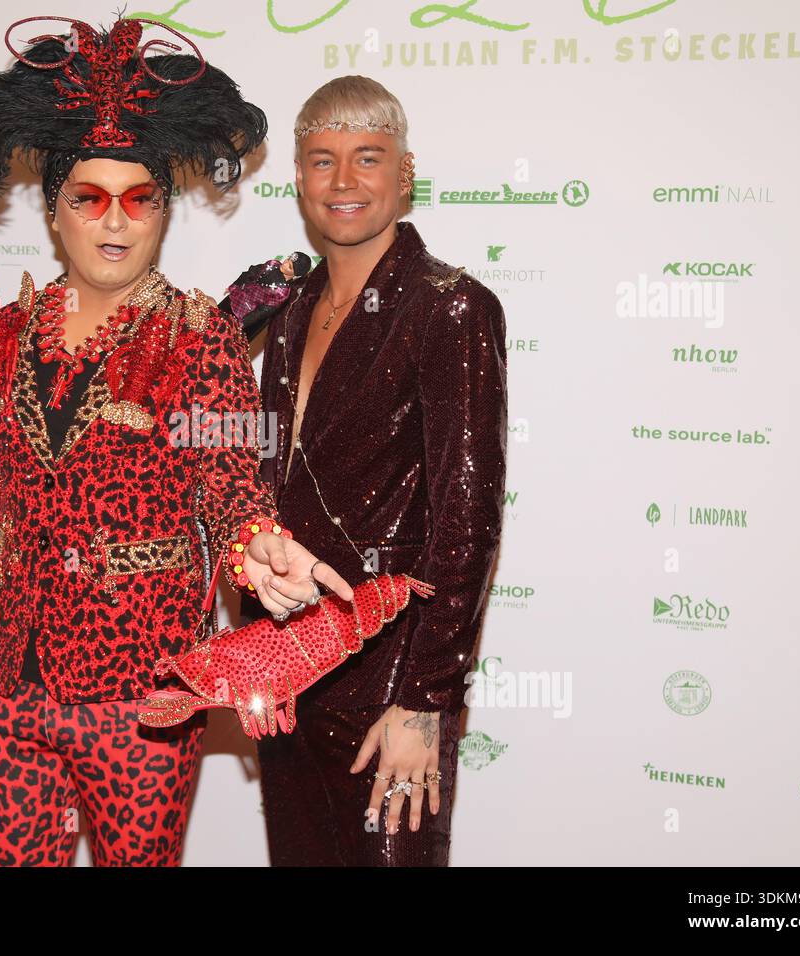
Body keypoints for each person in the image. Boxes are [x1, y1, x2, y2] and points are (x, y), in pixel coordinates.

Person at [0, 15, 352, 867]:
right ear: (54, 212)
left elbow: (230, 484)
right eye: (89, 198)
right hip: (7, 684)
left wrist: (259, 548)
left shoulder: (202, 339)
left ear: (160, 211)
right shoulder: (1, 334)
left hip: (142, 693)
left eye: (138, 199)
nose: (114, 221)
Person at [229, 75, 508, 866]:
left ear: (405, 173)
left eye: (367, 158)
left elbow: (467, 517)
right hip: (286, 668)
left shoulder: (449, 305)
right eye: (322, 160)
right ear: (297, 178)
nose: (343, 181)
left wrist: (426, 700)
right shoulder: (280, 309)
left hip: (390, 678)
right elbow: (263, 486)